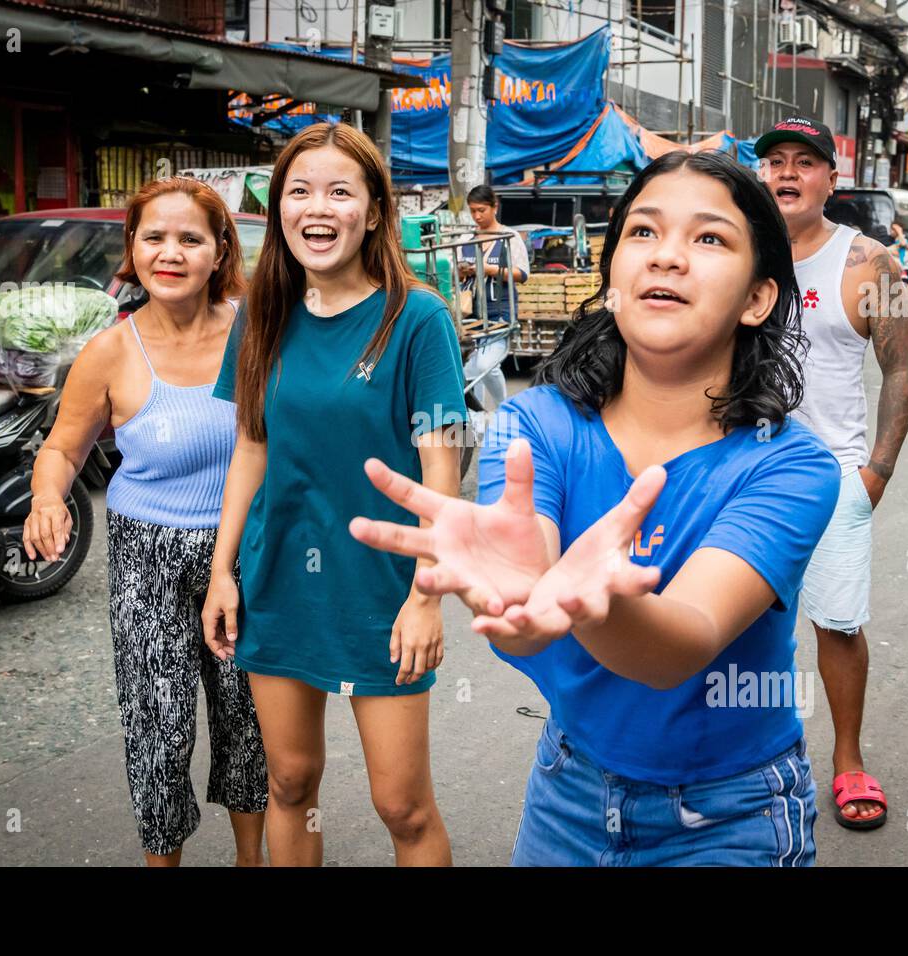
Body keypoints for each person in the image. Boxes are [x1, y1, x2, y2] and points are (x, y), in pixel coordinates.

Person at [350, 148, 840, 866]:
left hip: (732, 814)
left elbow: (685, 640)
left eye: (709, 239)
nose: (666, 257)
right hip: (569, 792)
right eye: (642, 232)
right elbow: (523, 629)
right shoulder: (534, 425)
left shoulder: (789, 465)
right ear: (611, 275)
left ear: (758, 298)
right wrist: (518, 596)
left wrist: (595, 601)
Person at [201, 122, 467, 867]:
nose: (318, 208)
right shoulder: (260, 315)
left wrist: (427, 595)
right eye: (300, 190)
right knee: (290, 782)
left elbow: (440, 472)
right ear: (279, 208)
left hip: (380, 588)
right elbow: (250, 447)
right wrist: (224, 573)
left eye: (340, 192)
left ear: (375, 212)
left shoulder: (418, 319)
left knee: (402, 805)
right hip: (279, 580)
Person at [24, 177, 268, 866]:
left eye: (191, 238)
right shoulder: (110, 350)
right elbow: (63, 448)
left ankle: (253, 858)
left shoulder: (258, 332)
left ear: (220, 251)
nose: (171, 252)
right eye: (154, 236)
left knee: (248, 721)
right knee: (157, 731)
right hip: (144, 560)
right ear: (132, 247)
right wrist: (47, 499)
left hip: (244, 551)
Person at [756, 117, 908, 830]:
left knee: (838, 624)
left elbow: (901, 368)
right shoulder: (738, 250)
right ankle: (754, 757)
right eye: (775, 162)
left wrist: (875, 472)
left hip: (833, 478)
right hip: (744, 476)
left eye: (805, 162)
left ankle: (848, 760)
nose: (788, 173)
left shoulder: (870, 263)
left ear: (829, 177)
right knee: (738, 627)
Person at [459, 184, 530, 415]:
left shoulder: (509, 237)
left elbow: (522, 274)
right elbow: (455, 271)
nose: (477, 216)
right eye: (473, 211)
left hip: (499, 312)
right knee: (469, 372)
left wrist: (489, 269)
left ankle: (504, 410)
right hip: (471, 313)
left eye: (482, 210)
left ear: (494, 207)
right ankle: (477, 418)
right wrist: (462, 271)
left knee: (485, 365)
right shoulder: (466, 238)